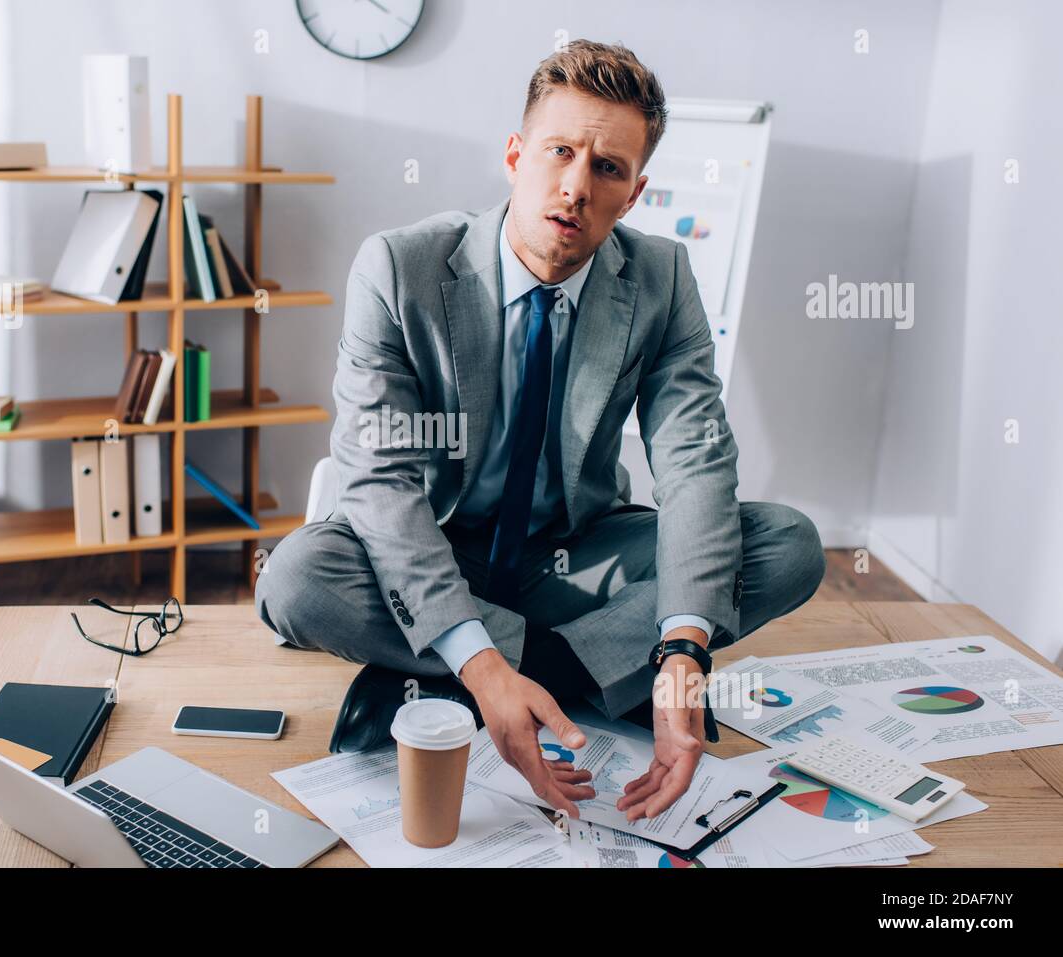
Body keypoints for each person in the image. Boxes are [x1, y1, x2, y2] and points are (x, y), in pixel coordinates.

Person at [257, 39, 825, 824]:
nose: (575, 186)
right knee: (295, 578)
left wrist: (686, 659)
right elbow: (379, 480)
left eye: (608, 169)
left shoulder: (661, 281)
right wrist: (485, 670)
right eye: (561, 151)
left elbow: (694, 464)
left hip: (575, 557)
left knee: (787, 543)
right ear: (517, 154)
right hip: (440, 543)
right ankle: (561, 665)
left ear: (633, 194)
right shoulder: (398, 269)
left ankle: (491, 660)